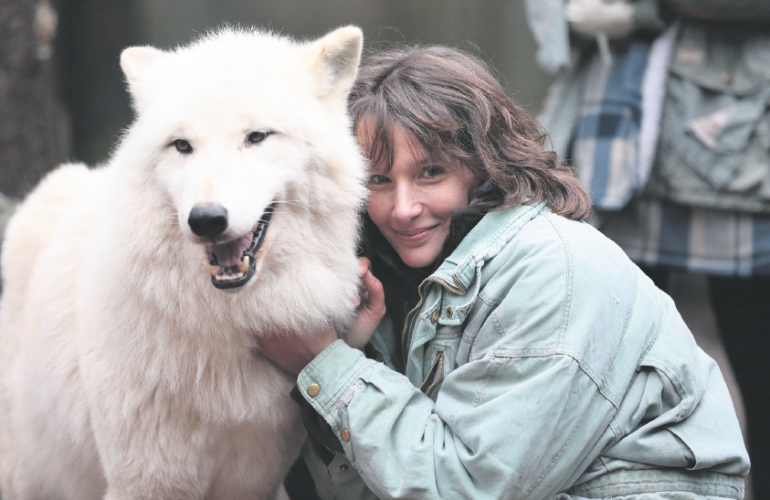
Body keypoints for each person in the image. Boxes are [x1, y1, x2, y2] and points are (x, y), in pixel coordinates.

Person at [260, 45, 750, 500]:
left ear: (483, 164)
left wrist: (326, 363)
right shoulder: (393, 280)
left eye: (431, 172)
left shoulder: (551, 270)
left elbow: (469, 487)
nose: (403, 208)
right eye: (379, 180)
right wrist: (353, 348)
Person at [529, 1, 770, 497]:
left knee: (754, 353)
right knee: (607, 363)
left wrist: (642, 7)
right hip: (608, 139)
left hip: (736, 144)